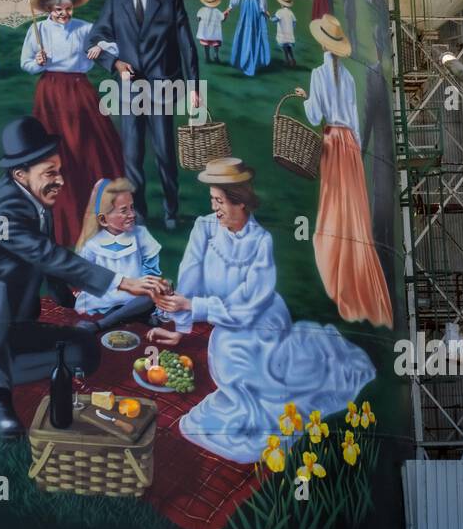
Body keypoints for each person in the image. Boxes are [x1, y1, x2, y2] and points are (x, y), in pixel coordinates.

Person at [0, 117, 164, 438]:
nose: (60, 180)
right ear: (21, 174)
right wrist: (122, 282)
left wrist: (67, 301)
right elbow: (44, 254)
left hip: (10, 328)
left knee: (84, 351)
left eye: (59, 171)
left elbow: (45, 254)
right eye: (50, 173)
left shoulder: (33, 200)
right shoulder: (4, 209)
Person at [152, 158, 375, 463]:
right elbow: (189, 280)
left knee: (254, 377)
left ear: (240, 202)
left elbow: (248, 304)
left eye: (220, 201)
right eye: (212, 200)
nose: (215, 208)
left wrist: (196, 306)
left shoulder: (260, 241)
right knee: (229, 354)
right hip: (226, 320)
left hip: (261, 320)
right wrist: (180, 325)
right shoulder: (204, 229)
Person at [87, 0, 200, 230]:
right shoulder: (115, 2)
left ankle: (171, 212)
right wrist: (115, 63)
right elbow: (95, 39)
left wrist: (194, 87)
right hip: (128, 92)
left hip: (163, 89)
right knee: (132, 155)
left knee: (165, 153)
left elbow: (187, 45)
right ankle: (138, 213)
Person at [294, 15, 393, 328]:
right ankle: (359, 272)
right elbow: (353, 114)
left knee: (333, 206)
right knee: (354, 211)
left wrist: (303, 98)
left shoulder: (318, 74)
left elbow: (315, 114)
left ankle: (337, 269)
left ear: (324, 43)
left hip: (333, 142)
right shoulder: (349, 76)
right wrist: (357, 149)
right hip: (350, 143)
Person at [20, 0, 123, 246]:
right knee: (55, 146)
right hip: (51, 93)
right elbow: (26, 62)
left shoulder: (84, 28)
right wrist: (37, 62)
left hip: (79, 91)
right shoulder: (39, 30)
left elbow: (113, 46)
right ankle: (57, 204)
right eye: (58, 10)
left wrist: (99, 48)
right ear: (47, 11)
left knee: (88, 143)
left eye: (67, 9)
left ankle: (96, 195)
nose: (64, 14)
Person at [74, 177, 163, 332]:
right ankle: (109, 322)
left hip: (136, 295)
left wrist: (149, 283)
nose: (132, 214)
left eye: (132, 207)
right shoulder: (93, 244)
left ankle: (116, 318)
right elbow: (84, 276)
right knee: (120, 305)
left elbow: (151, 269)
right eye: (124, 210)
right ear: (103, 219)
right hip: (105, 297)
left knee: (154, 293)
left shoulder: (140, 235)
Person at [362, 22, 397, 317]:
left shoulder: (374, 74)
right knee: (384, 226)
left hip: (383, 160)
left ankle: (380, 294)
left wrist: (358, 149)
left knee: (380, 225)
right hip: (387, 159)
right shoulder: (380, 75)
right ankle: (385, 295)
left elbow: (368, 116)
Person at [196, 0, 228, 64]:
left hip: (205, 33)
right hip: (214, 33)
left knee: (206, 45)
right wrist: (226, 14)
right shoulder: (217, 12)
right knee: (215, 45)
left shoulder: (201, 10)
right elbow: (222, 19)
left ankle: (207, 57)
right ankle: (216, 56)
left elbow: (198, 18)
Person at [270, 0, 297, 67]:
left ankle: (287, 60)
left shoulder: (280, 12)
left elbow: (275, 19)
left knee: (285, 48)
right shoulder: (290, 12)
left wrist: (270, 18)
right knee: (289, 47)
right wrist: (292, 28)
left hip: (283, 34)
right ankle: (292, 59)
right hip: (289, 33)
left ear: (281, 4)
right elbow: (294, 21)